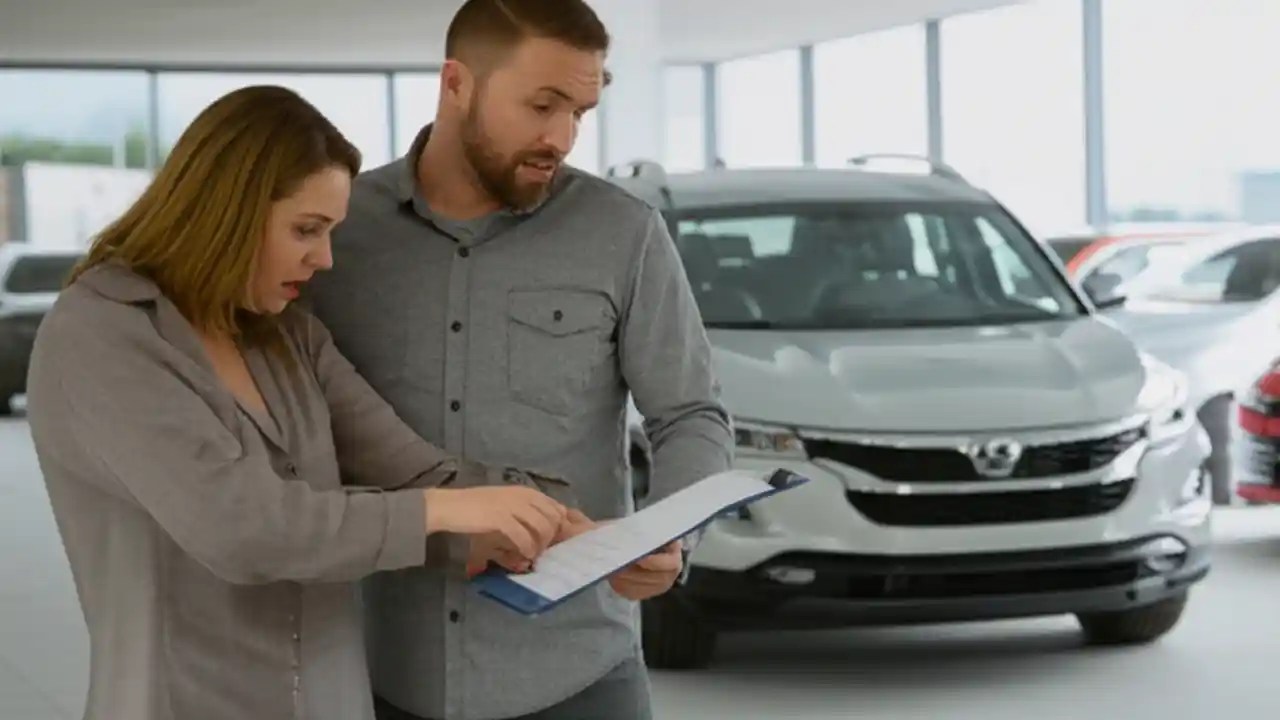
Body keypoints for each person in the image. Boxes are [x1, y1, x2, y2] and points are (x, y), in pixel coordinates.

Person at [24, 84, 577, 720]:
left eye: (331, 231)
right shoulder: (102, 334)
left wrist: (555, 528)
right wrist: (445, 511)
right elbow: (246, 529)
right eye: (306, 230)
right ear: (224, 213)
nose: (324, 258)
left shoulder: (287, 334)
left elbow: (415, 473)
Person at [304, 0, 735, 718]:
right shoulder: (339, 236)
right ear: (455, 83)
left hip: (578, 675)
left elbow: (691, 413)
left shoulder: (624, 233)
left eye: (580, 111)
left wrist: (670, 535)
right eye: (542, 105)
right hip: (382, 674)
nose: (562, 136)